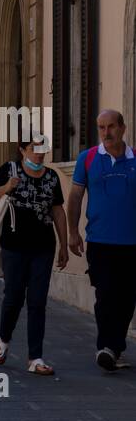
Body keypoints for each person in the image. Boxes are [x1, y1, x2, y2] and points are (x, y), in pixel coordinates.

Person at [0, 133, 67, 375]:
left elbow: (58, 211)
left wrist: (65, 245)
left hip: (43, 248)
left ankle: (35, 358)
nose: (39, 153)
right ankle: (3, 341)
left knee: (38, 302)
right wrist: (6, 187)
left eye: (42, 149)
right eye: (33, 148)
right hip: (14, 247)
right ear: (22, 150)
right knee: (14, 298)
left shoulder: (51, 177)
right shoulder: (9, 169)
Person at [67, 109, 136, 372]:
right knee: (105, 295)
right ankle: (107, 347)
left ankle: (113, 348)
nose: (106, 133)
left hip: (132, 244)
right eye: (101, 128)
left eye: (111, 127)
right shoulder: (88, 159)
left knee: (128, 298)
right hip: (100, 242)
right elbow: (74, 197)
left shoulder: (135, 160)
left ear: (123, 128)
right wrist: (73, 232)